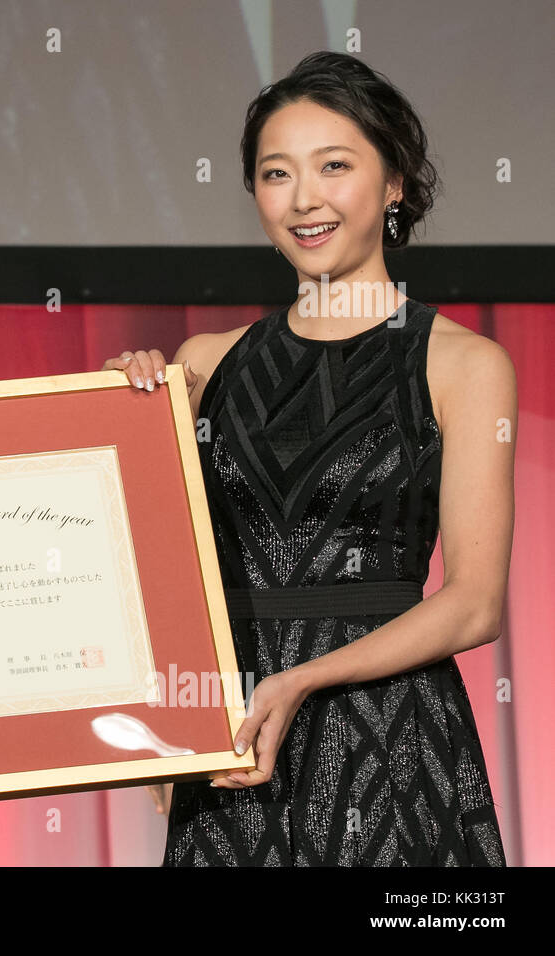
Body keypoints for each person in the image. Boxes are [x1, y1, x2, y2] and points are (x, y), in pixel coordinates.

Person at [106, 52, 513, 865]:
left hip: (391, 744)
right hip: (235, 752)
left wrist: (299, 680)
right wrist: (116, 423)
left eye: (334, 166)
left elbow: (475, 604)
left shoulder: (462, 365)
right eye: (275, 173)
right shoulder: (207, 364)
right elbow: (145, 571)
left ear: (394, 183)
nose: (304, 199)